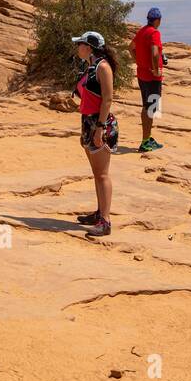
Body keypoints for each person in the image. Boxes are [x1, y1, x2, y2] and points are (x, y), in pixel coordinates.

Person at [71, 31, 119, 238]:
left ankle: (105, 222)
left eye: (80, 44)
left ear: (89, 47)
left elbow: (108, 99)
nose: (77, 47)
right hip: (89, 122)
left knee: (102, 174)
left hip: (100, 124)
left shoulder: (103, 67)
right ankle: (99, 213)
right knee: (96, 173)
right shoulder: (91, 66)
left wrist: (100, 128)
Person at [132, 7, 165, 152]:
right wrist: (156, 69)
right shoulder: (154, 32)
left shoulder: (141, 31)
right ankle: (145, 142)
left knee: (147, 106)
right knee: (151, 109)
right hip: (152, 77)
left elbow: (130, 47)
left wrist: (138, 62)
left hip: (142, 75)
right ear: (158, 20)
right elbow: (154, 51)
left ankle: (148, 137)